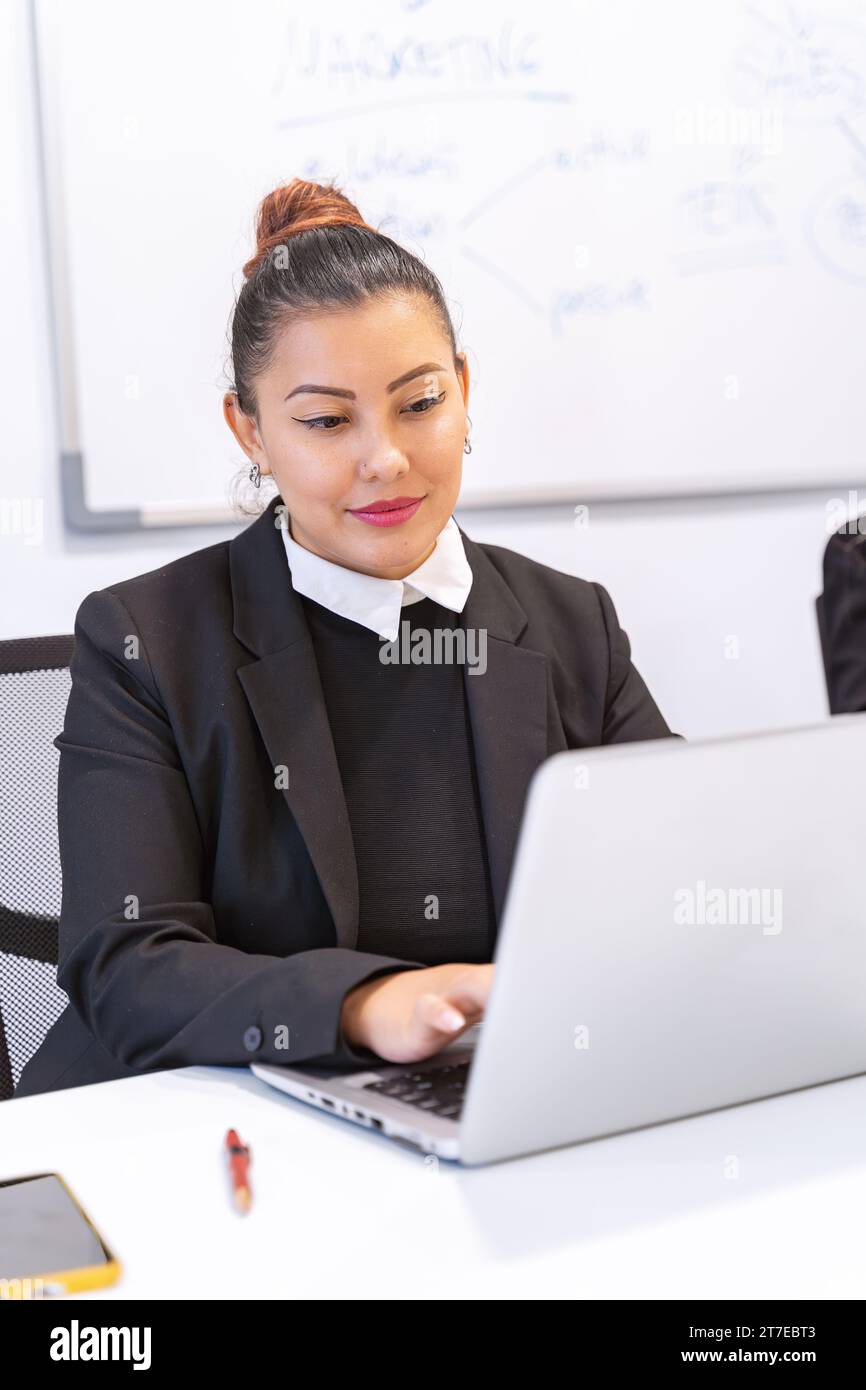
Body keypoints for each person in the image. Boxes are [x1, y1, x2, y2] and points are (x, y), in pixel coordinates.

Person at [15, 178, 675, 1099]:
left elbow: (678, 883)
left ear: (465, 388)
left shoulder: (574, 625)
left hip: (497, 1102)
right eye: (327, 421)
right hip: (217, 1119)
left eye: (420, 402)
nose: (387, 460)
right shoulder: (146, 642)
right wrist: (367, 1005)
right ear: (249, 429)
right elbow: (125, 964)